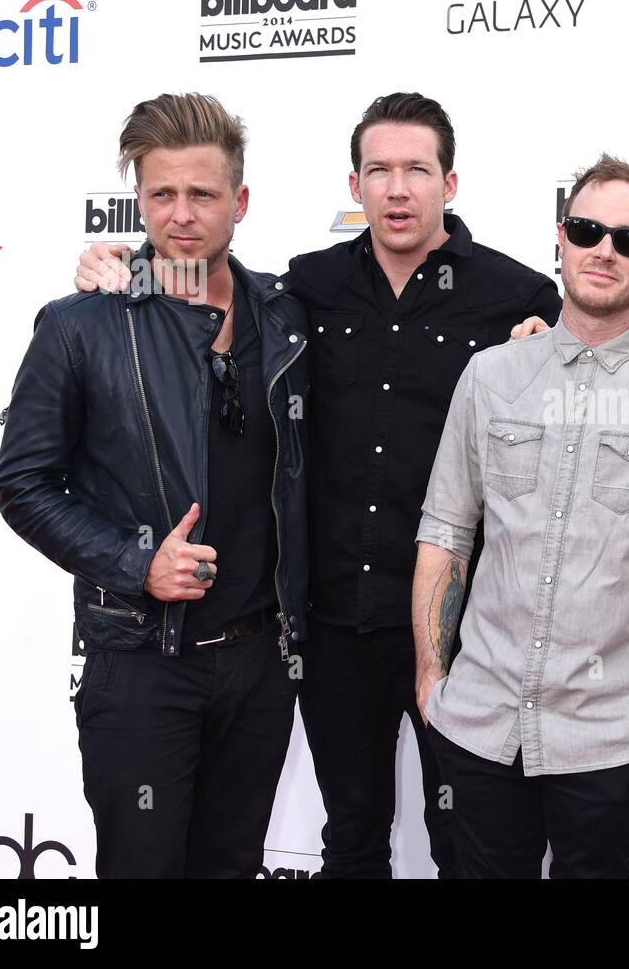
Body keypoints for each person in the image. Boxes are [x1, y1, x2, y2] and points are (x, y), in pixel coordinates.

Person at [75, 93, 563, 878]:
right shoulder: (302, 290)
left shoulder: (519, 297)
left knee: (477, 846)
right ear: (355, 182)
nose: (397, 189)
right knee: (353, 835)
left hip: (466, 632)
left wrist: (553, 353)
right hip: (334, 629)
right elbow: (194, 281)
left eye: (416, 170)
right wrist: (122, 264)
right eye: (379, 171)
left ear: (452, 181)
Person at [0, 93, 309, 878]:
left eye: (201, 194)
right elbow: (24, 483)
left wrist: (531, 327)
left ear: (240, 201)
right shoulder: (81, 325)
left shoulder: (287, 316)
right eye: (160, 194)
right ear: (137, 199)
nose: (180, 215)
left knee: (231, 866)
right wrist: (138, 563)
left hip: (258, 664)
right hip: (141, 664)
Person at [411, 154, 629, 878]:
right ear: (560, 236)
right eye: (589, 229)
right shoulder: (491, 374)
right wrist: (434, 680)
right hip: (478, 724)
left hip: (610, 740)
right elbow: (445, 533)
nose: (604, 250)